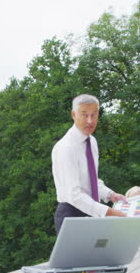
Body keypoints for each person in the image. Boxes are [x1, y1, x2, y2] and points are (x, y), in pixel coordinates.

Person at [51, 94, 127, 234]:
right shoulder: (65, 147)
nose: (90, 121)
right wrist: (110, 212)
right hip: (72, 214)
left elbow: (90, 180)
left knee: (101, 256)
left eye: (94, 115)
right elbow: (74, 195)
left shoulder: (92, 142)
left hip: (92, 211)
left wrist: (110, 194)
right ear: (74, 115)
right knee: (77, 257)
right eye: (84, 115)